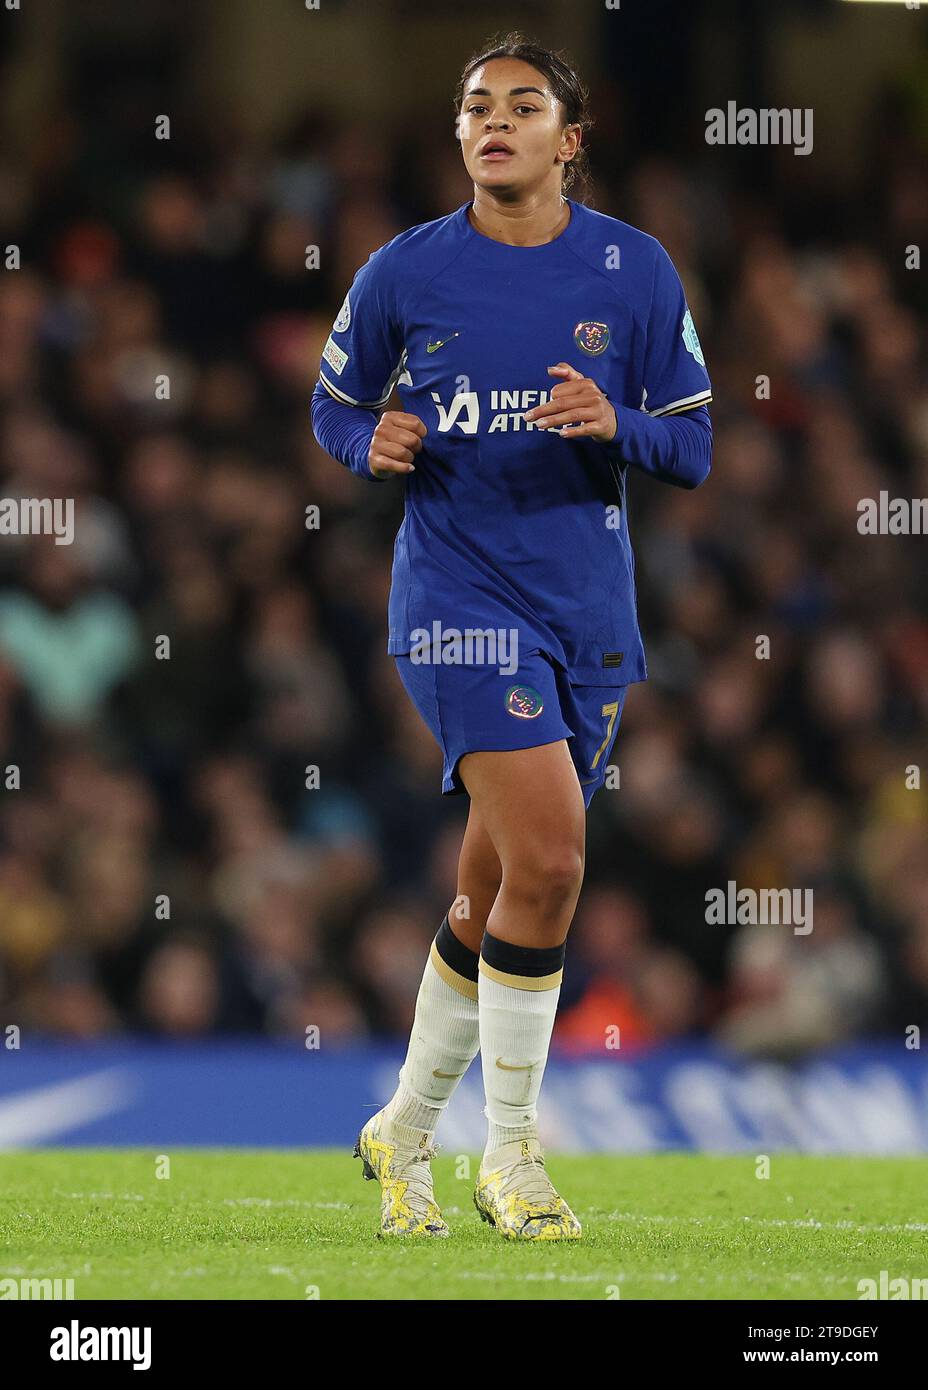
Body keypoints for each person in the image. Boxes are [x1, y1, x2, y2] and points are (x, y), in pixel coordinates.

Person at [311, 33, 712, 1241]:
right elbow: (335, 399)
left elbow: (691, 447)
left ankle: (403, 1129)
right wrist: (361, 441)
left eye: (522, 106)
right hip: (455, 595)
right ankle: (517, 1153)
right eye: (476, 107)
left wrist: (616, 424)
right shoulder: (405, 270)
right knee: (550, 858)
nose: (494, 122)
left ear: (569, 139)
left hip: (583, 612)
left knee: (492, 894)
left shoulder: (632, 271)